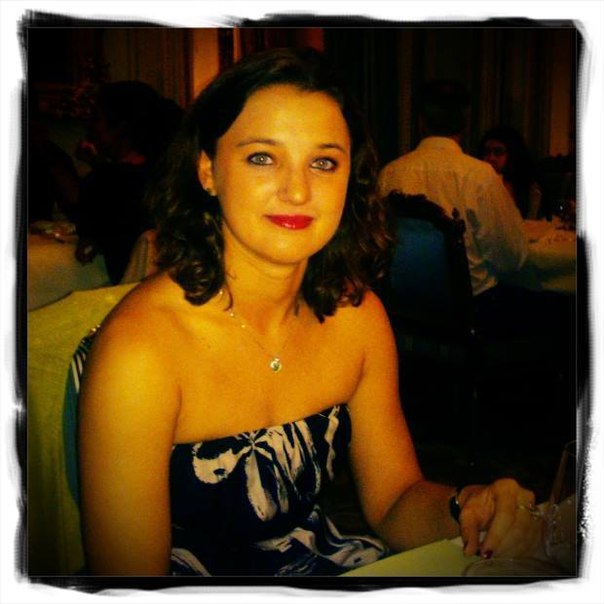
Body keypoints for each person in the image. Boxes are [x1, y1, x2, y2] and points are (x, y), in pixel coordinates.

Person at [78, 48, 540, 577]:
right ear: (208, 170)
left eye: (323, 162)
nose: (298, 191)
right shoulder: (140, 351)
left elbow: (394, 500)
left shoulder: (356, 316)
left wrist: (468, 505)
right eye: (262, 157)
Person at [378, 80, 529, 303]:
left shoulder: (389, 174)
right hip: (472, 307)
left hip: (405, 304)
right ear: (464, 123)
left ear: (421, 123)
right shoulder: (479, 176)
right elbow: (511, 258)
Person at [74, 81, 183, 283]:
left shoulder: (109, 182)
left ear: (121, 128)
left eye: (97, 118)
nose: (90, 127)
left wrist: (97, 169)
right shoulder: (169, 175)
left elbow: (83, 220)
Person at [478, 125, 542, 219]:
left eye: (498, 152)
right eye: (487, 152)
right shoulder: (478, 184)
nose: (491, 158)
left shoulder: (530, 188)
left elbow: (531, 221)